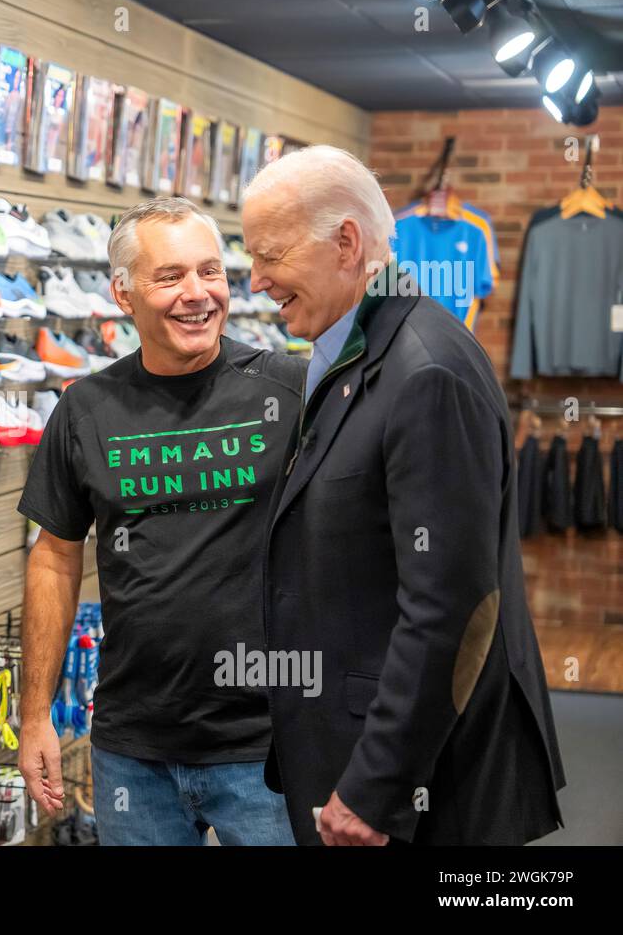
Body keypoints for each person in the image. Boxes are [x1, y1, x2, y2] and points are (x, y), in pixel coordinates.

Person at [241, 145, 566, 845]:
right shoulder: (357, 349)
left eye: (269, 255)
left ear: (347, 243)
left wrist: (373, 788)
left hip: (414, 788)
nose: (255, 278)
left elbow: (451, 607)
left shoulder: (426, 372)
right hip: (358, 751)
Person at [17, 197, 306, 845]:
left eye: (210, 272)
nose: (196, 294)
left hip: (267, 747)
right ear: (123, 294)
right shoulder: (87, 410)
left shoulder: (290, 393)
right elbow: (54, 557)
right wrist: (34, 713)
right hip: (133, 750)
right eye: (170, 276)